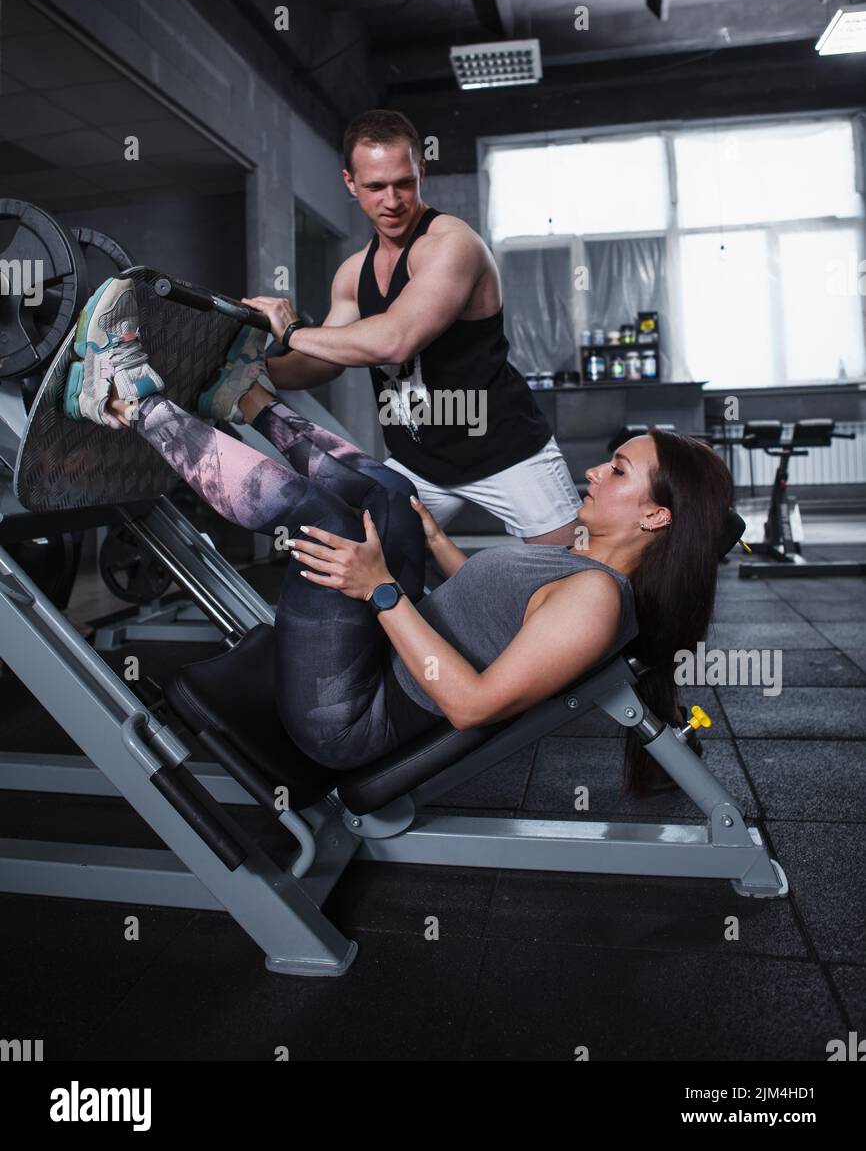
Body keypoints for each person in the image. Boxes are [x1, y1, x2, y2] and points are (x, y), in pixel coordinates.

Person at [63, 277, 734, 797]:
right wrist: (435, 543)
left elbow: (472, 706)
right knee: (392, 494)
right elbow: (490, 613)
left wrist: (382, 591)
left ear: (656, 517)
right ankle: (245, 400)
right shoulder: (582, 572)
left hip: (348, 714)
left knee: (323, 519)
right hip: (374, 666)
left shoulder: (598, 601)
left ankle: (124, 397)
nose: (593, 469)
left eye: (618, 471)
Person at [240, 109, 582, 547]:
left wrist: (290, 331)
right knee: (356, 563)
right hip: (419, 462)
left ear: (421, 171)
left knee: (573, 575)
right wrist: (253, 369)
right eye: (375, 187)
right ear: (350, 183)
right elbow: (318, 363)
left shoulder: (451, 244)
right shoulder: (352, 273)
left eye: (404, 182)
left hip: (506, 450)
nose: (392, 200)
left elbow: (395, 341)